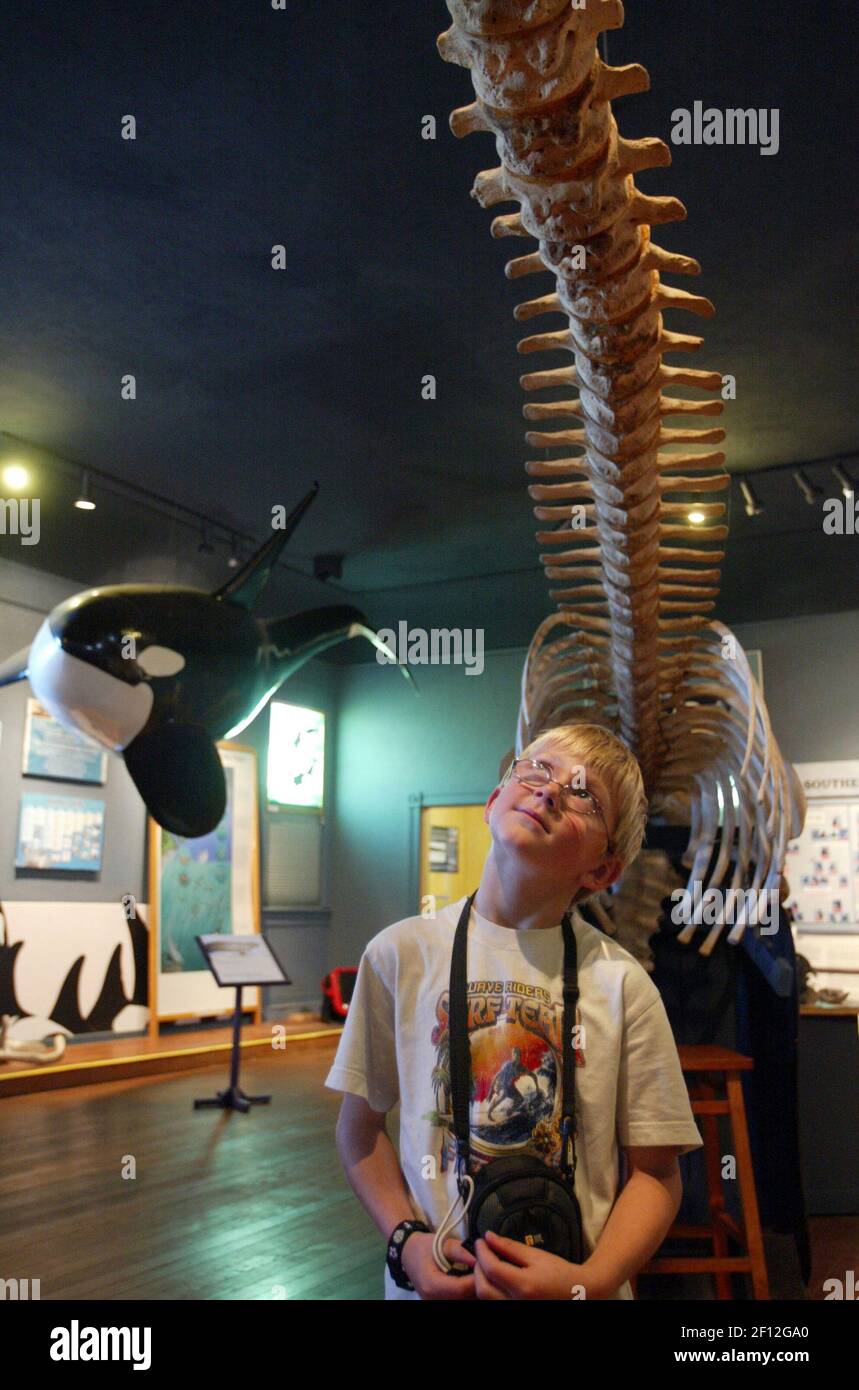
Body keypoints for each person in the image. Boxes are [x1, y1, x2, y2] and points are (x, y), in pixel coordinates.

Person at [325, 722, 703, 1299]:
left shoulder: (624, 986)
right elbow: (359, 1134)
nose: (551, 791)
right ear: (494, 799)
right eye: (537, 770)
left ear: (603, 870)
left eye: (585, 796)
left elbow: (656, 1174)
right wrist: (406, 1240)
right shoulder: (397, 956)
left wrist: (590, 1282)